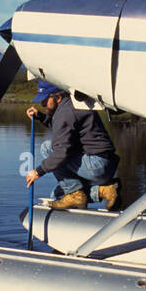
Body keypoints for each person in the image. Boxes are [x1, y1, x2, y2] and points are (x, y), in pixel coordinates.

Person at [23, 80, 119, 210]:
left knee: (47, 148)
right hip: (104, 163)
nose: (42, 103)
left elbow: (61, 153)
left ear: (58, 97)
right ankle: (105, 191)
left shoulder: (65, 113)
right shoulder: (71, 105)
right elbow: (65, 128)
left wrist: (38, 171)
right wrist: (40, 116)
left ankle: (76, 195)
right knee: (58, 194)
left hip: (97, 164)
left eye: (45, 99)